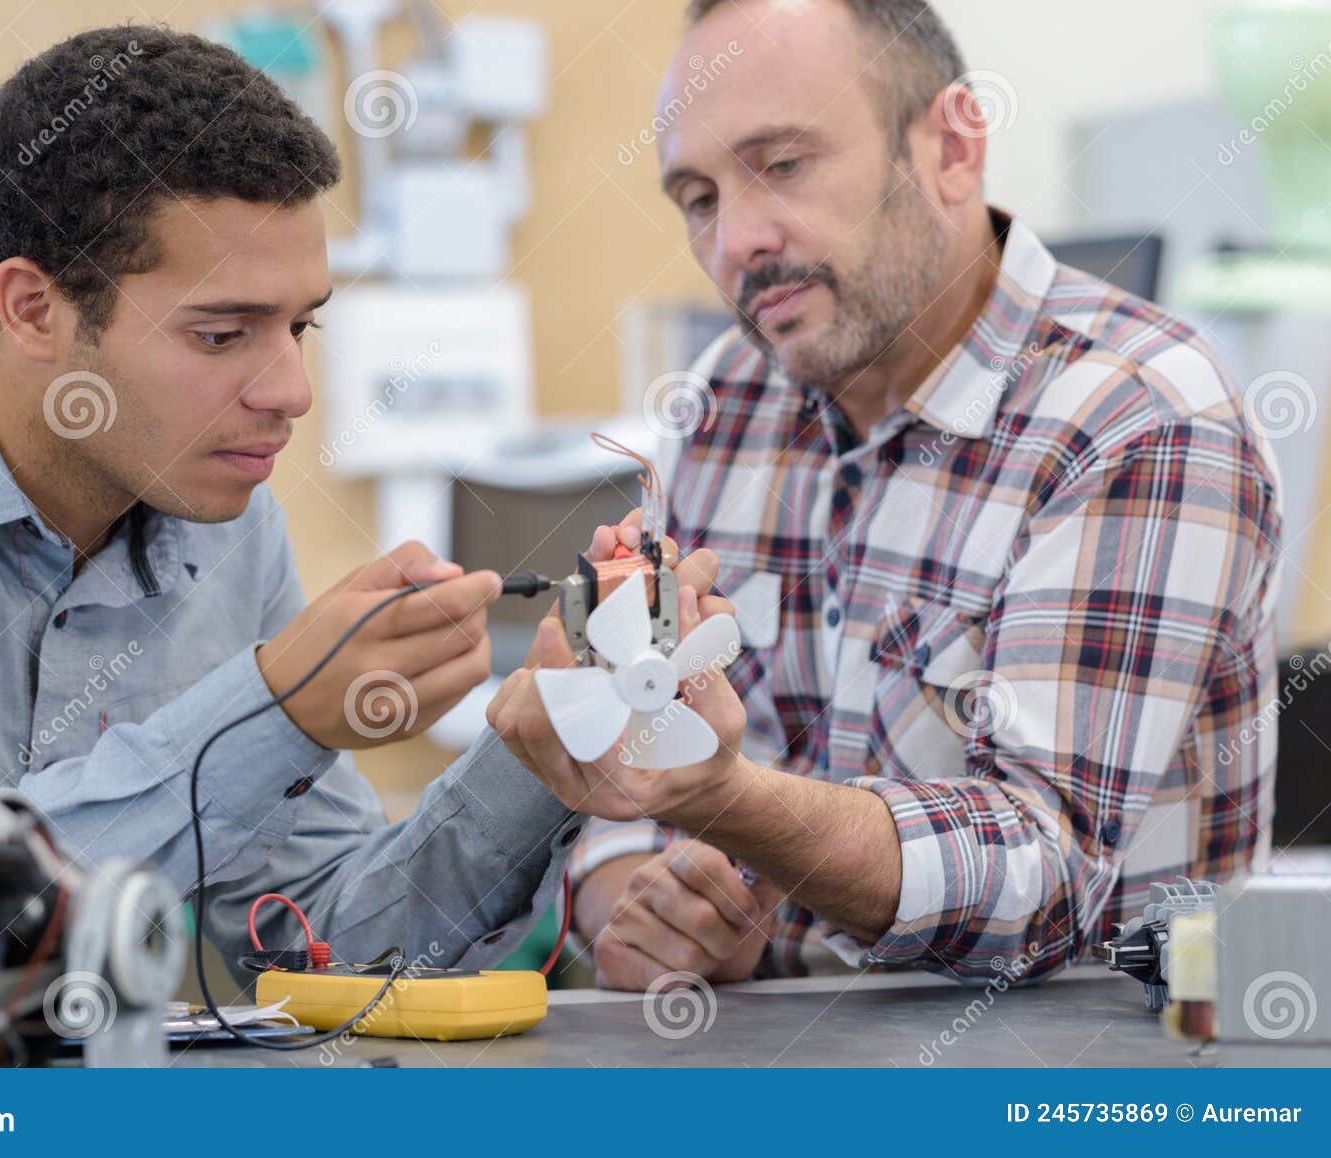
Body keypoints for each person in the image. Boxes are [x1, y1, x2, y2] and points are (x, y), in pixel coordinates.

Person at [0, 27, 585, 981]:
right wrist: (277, 711)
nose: (292, 392)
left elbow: (325, 942)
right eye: (222, 335)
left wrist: (542, 752)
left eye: (299, 325)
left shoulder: (224, 521)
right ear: (33, 310)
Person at [490, 0, 1281, 989]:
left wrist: (730, 805)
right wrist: (643, 902)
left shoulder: (1139, 416)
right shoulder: (724, 403)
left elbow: (1046, 874)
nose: (736, 239)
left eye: (780, 164)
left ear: (951, 147)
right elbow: (642, 770)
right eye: (697, 198)